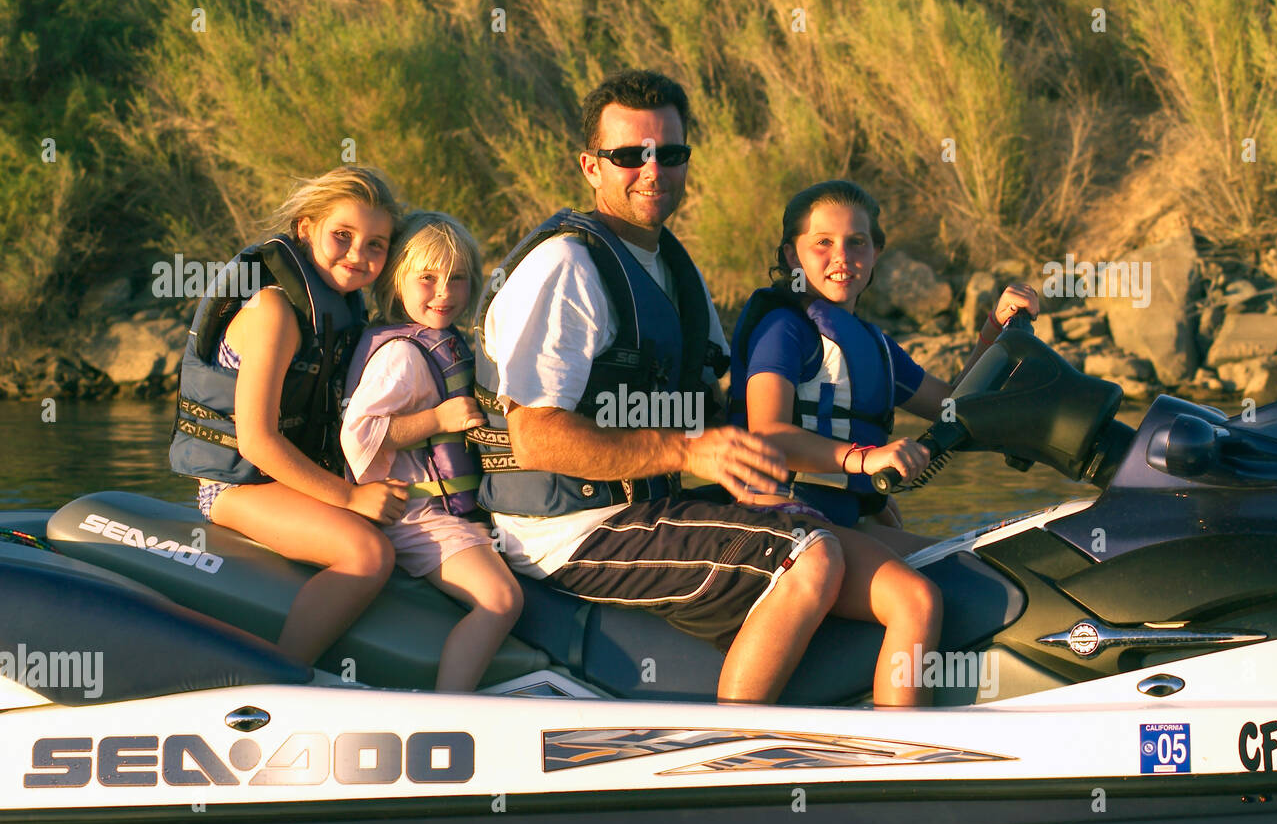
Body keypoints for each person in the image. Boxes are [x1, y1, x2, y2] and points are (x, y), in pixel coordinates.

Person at [473, 69, 936, 705]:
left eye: (670, 153)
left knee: (878, 549)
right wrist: (690, 453)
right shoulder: (568, 267)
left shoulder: (671, 270)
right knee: (809, 557)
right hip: (566, 529)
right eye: (630, 155)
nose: (652, 169)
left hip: (648, 513)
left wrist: (840, 481)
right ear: (590, 166)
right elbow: (534, 438)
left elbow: (716, 417)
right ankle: (737, 754)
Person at [170, 166, 408, 664]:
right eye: (342, 236)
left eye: (376, 245)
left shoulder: (340, 308)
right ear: (305, 228)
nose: (357, 255)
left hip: (293, 478)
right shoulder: (275, 312)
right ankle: (284, 674)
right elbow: (256, 442)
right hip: (238, 486)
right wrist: (350, 497)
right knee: (368, 554)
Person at [729, 180, 1039, 556]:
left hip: (845, 517)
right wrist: (866, 459)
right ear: (793, 257)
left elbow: (952, 404)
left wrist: (993, 329)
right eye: (823, 242)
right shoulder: (782, 330)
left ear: (876, 252)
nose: (842, 256)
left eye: (856, 242)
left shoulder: (875, 346)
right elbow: (768, 434)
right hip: (783, 519)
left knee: (963, 566)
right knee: (920, 598)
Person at [340, 212, 522, 692]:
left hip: (445, 508)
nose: (444, 292)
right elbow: (359, 434)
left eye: (457, 278)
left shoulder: (442, 342)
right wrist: (438, 420)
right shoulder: (403, 355)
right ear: (398, 280)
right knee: (502, 599)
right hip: (416, 516)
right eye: (428, 278)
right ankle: (452, 706)